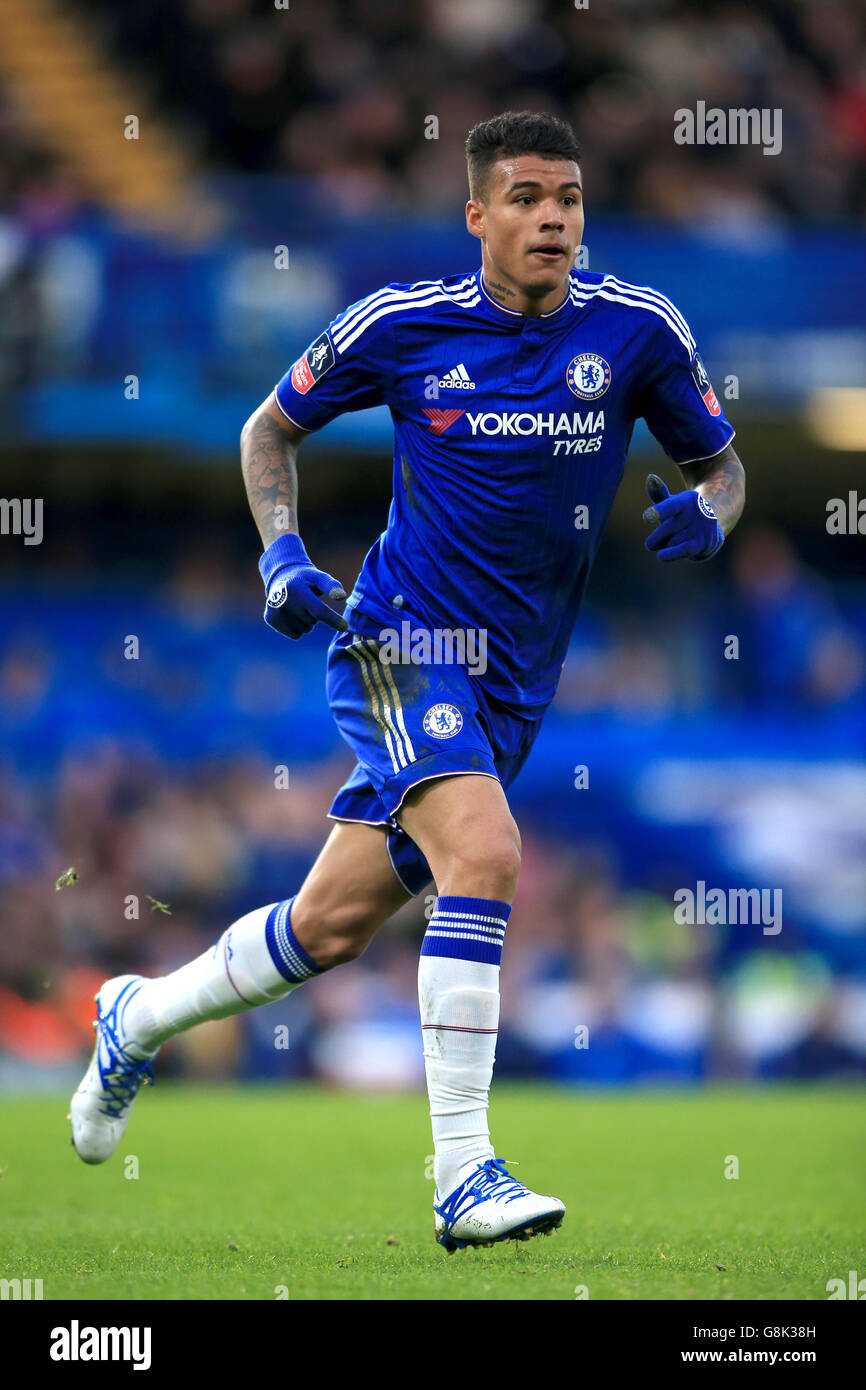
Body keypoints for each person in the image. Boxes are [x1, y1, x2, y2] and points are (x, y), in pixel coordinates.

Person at [70, 110, 745, 1253]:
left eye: (568, 198)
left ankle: (135, 1014)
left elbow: (720, 467)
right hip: (399, 640)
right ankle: (461, 1170)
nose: (552, 219)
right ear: (476, 214)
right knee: (483, 854)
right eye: (527, 198)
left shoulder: (636, 331)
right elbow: (264, 431)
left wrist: (712, 515)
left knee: (327, 928)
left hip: (515, 683)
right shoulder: (399, 324)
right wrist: (280, 551)